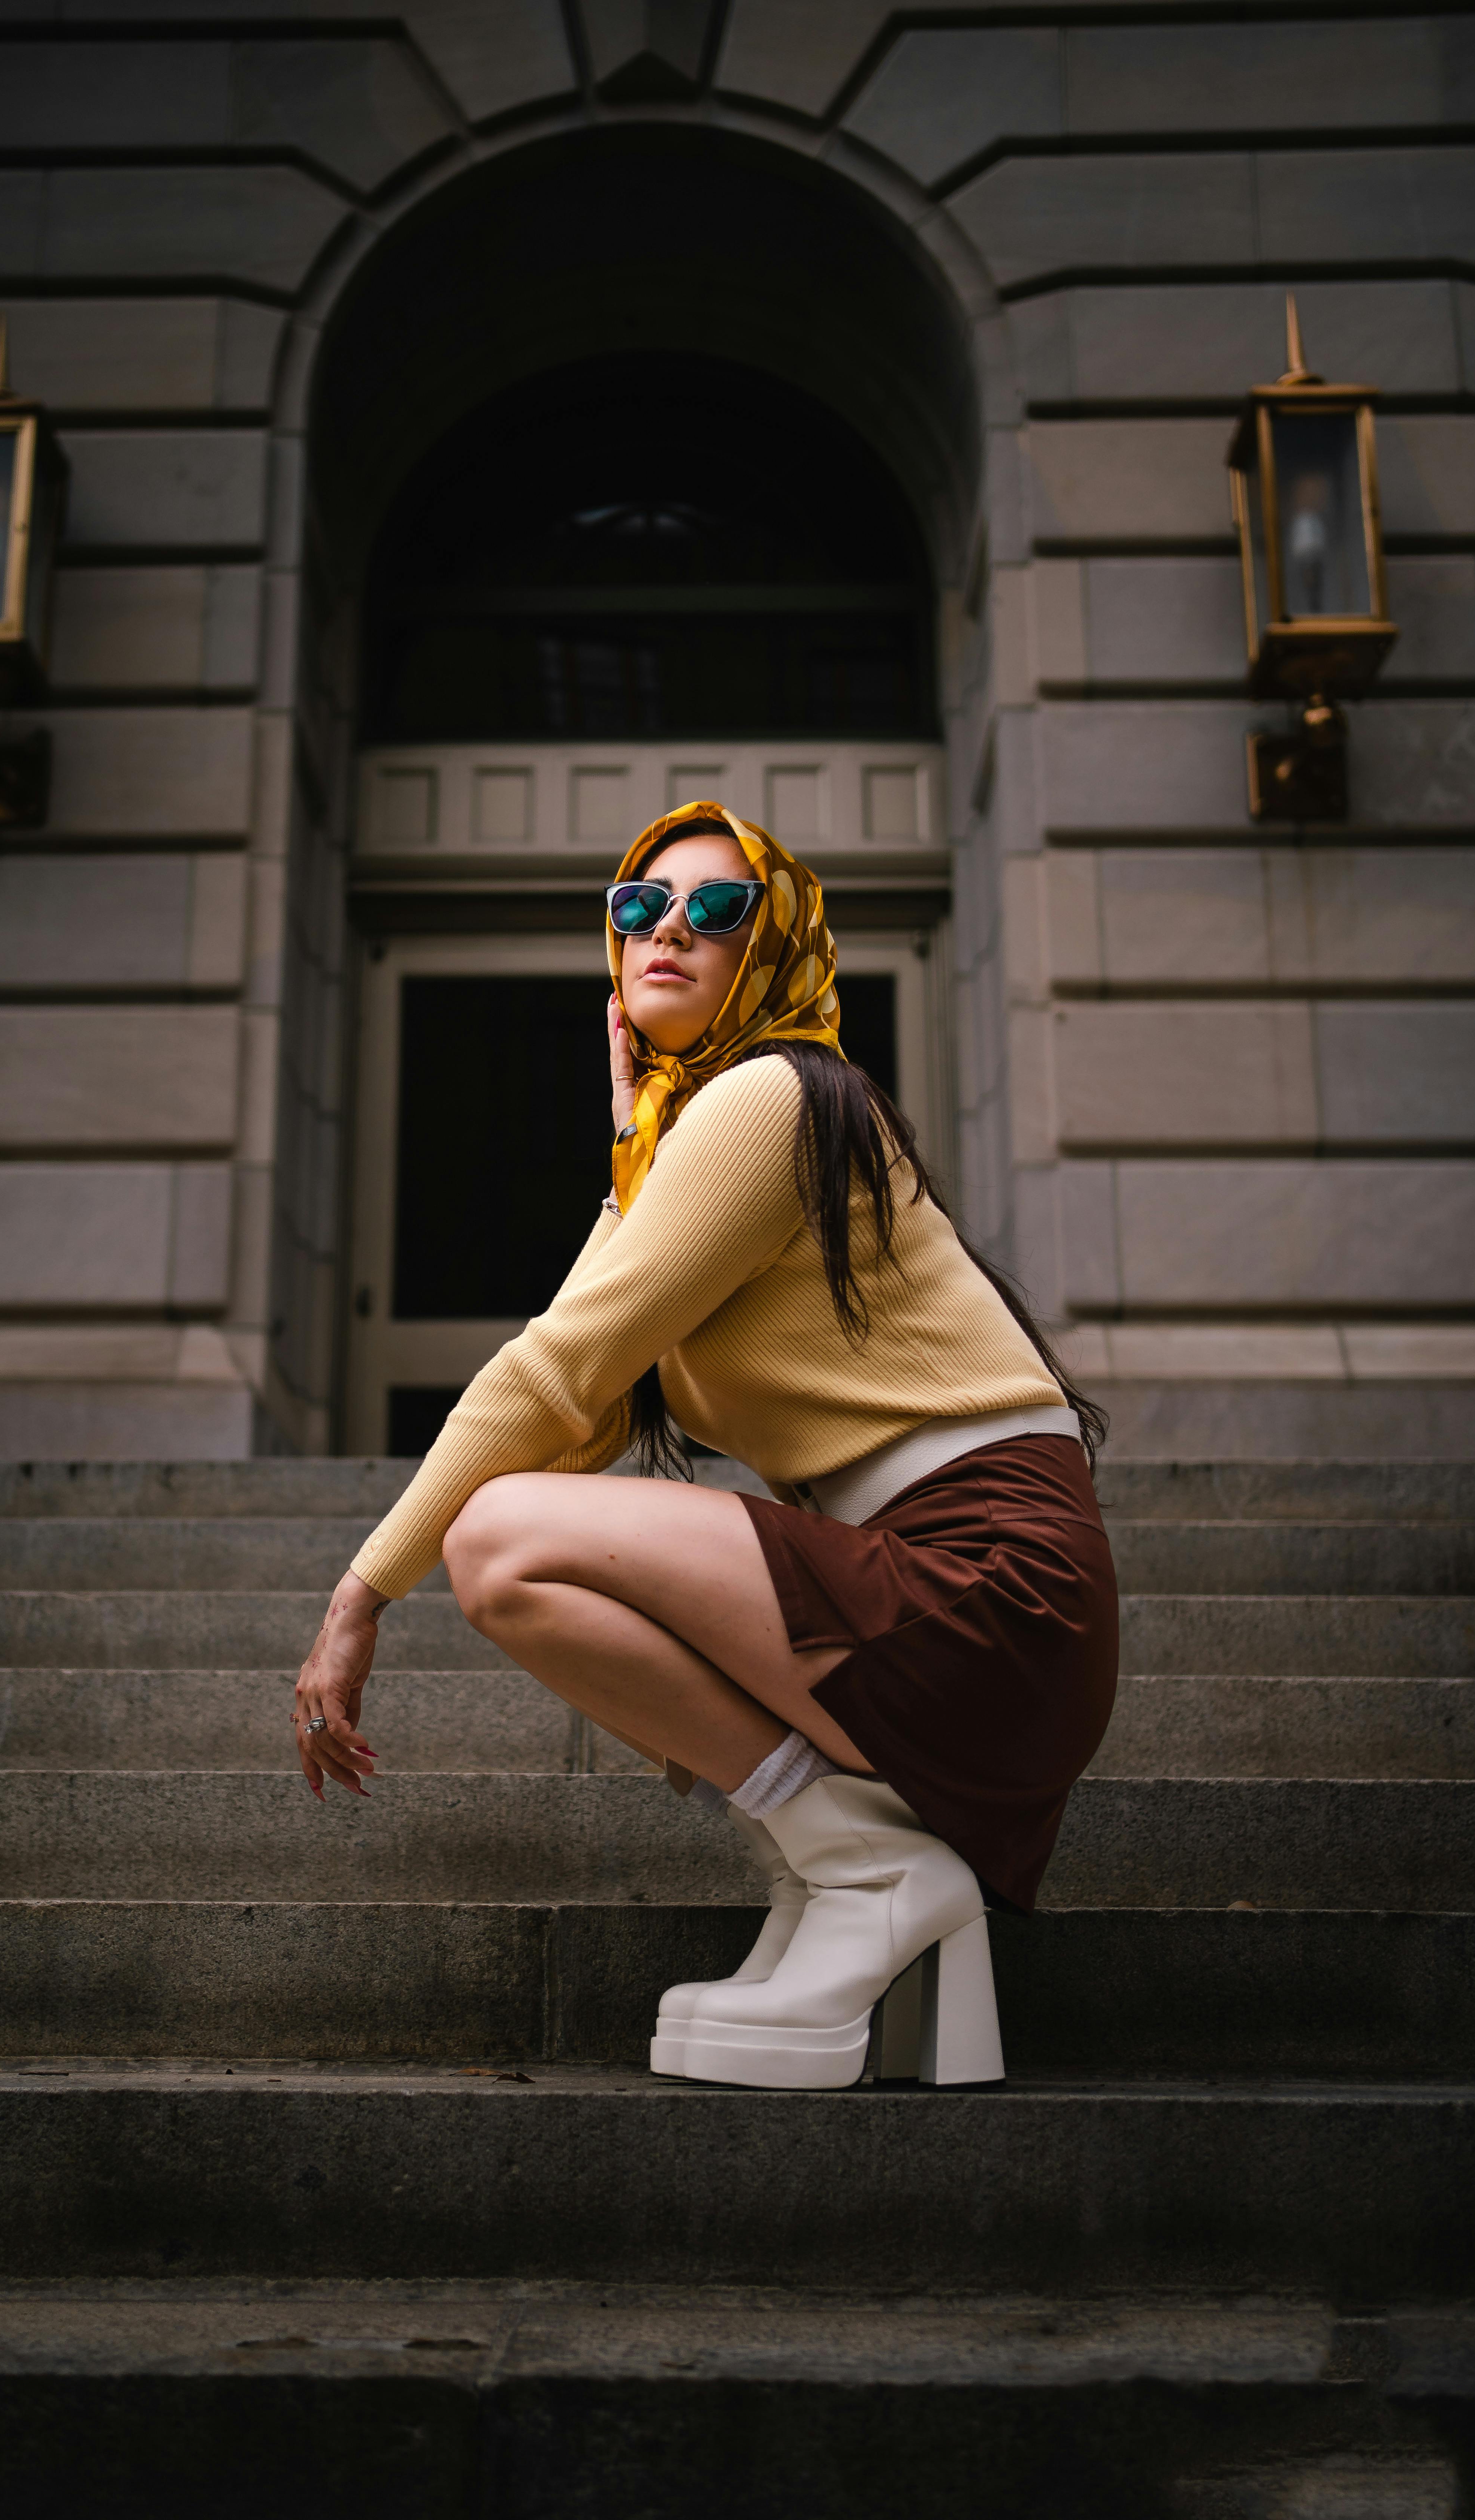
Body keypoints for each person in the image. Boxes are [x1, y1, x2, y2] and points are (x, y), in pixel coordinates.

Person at [293, 800, 1118, 2091]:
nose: (667, 926)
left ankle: (870, 1865)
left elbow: (555, 1375)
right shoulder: (694, 1135)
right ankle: (838, 1857)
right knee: (510, 1559)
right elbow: (591, 1402)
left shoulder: (773, 1097)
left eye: (715, 909)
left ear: (770, 947)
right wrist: (632, 1157)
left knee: (495, 1540)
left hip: (991, 1598)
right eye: (636, 906)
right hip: (931, 1600)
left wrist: (360, 1595)